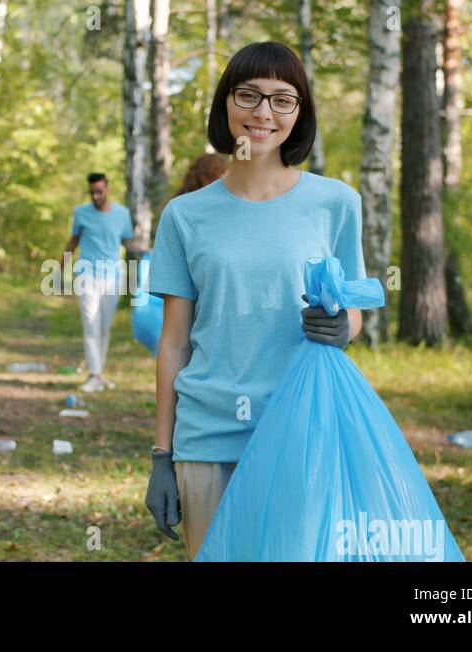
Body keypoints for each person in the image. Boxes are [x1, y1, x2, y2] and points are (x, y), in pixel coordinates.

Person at [144, 42, 367, 559]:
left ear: (300, 112)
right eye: (248, 95)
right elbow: (174, 342)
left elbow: (353, 310)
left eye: (282, 99)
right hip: (206, 432)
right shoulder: (184, 215)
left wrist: (345, 326)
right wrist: (162, 453)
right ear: (225, 104)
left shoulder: (336, 203)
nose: (263, 113)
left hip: (301, 425)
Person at [62, 173, 141, 392]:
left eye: (99, 191)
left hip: (112, 277)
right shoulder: (81, 213)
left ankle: (98, 374)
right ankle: (94, 373)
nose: (96, 196)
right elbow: (73, 241)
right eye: (92, 192)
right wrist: (60, 267)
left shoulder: (122, 213)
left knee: (104, 328)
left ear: (108, 189)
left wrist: (145, 251)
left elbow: (126, 240)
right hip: (87, 274)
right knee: (91, 323)